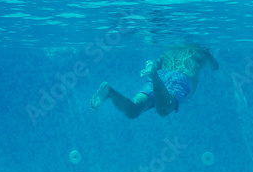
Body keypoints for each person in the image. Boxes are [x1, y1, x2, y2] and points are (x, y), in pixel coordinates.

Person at [90, 45, 219, 118]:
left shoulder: (169, 50)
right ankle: (154, 76)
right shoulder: (202, 51)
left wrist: (154, 74)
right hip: (181, 77)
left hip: (160, 75)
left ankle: (110, 92)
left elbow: (158, 63)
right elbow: (215, 66)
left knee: (133, 111)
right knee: (164, 109)